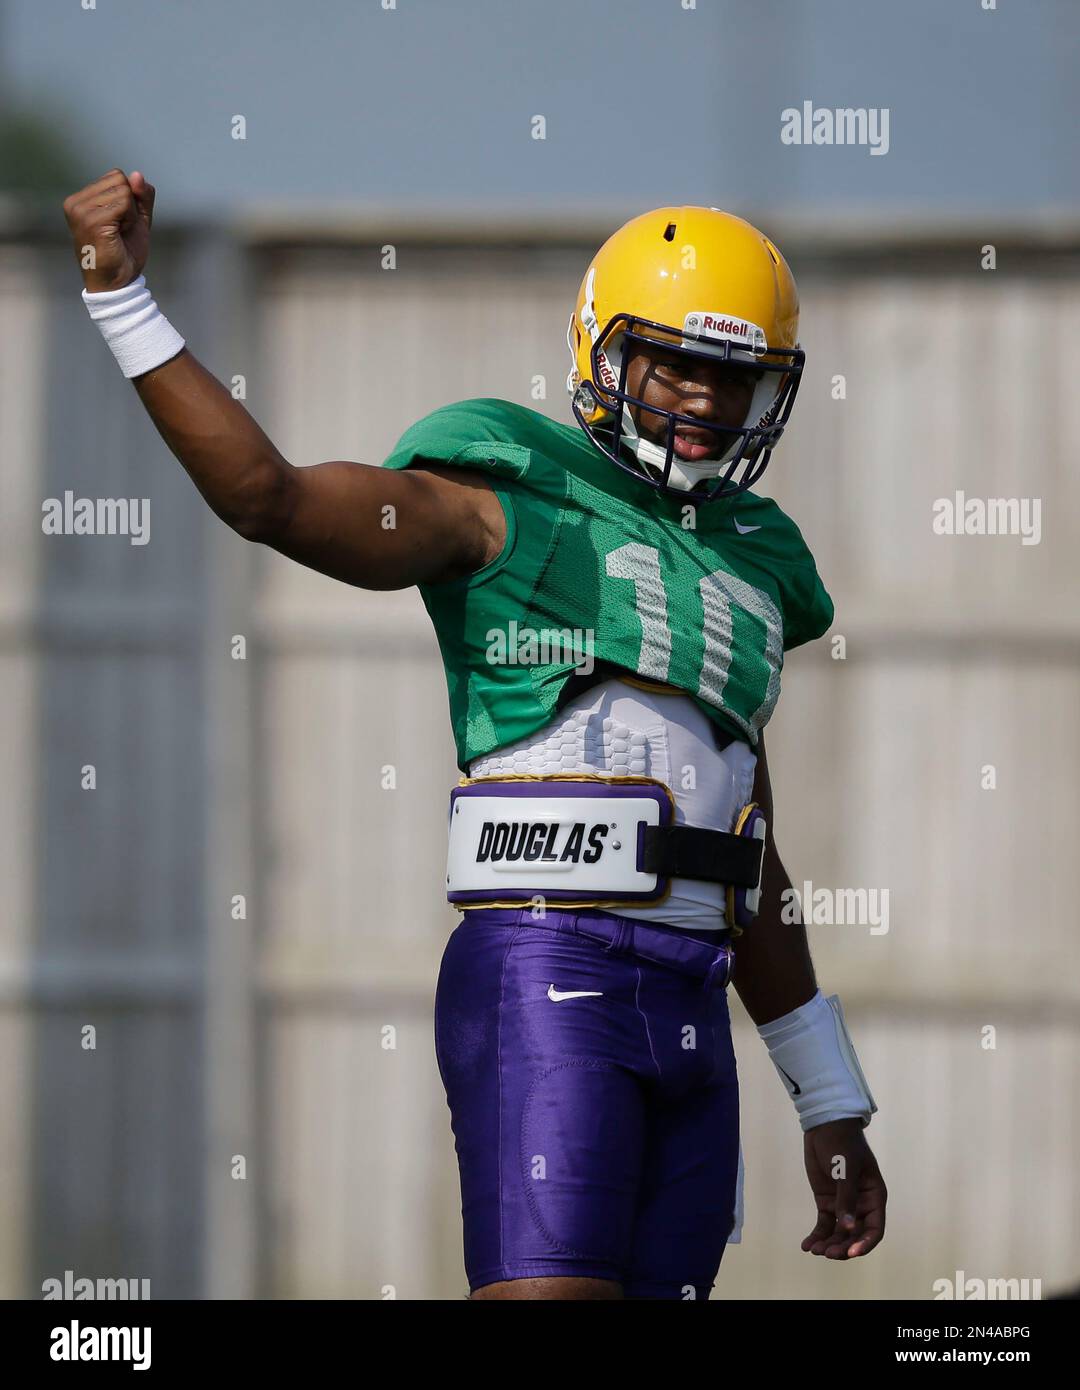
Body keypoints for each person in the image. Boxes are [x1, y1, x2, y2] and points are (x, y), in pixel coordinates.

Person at [63, 176, 887, 1301]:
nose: (703, 395)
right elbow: (272, 498)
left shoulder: (758, 553)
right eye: (676, 362)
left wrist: (828, 1098)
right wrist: (123, 298)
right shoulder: (503, 487)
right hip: (554, 962)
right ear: (604, 354)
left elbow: (748, 848)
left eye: (733, 375)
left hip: (694, 998)